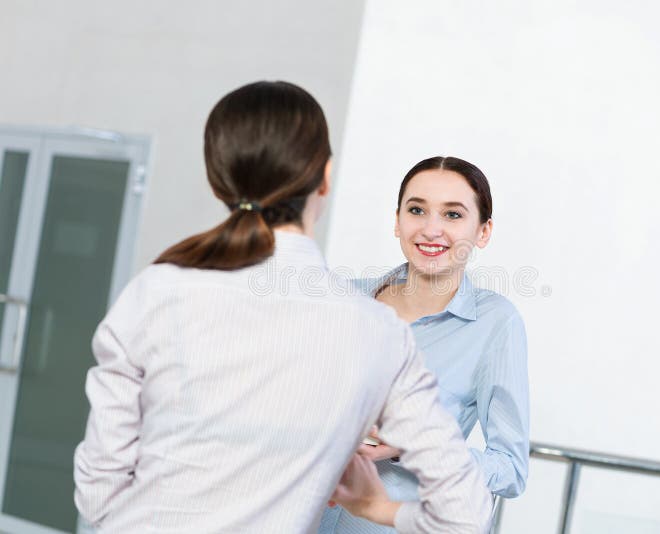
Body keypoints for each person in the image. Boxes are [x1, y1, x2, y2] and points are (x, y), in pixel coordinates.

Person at [73, 82, 491, 533]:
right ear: (325, 177)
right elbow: (464, 514)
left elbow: (98, 491)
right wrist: (376, 507)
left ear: (218, 183)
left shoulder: (154, 291)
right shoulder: (375, 330)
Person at [320, 156, 530, 533]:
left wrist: (415, 445)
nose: (431, 229)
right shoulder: (347, 302)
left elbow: (511, 469)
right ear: (397, 221)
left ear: (483, 232)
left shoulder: (496, 324)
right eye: (417, 209)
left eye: (452, 215)